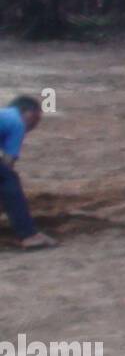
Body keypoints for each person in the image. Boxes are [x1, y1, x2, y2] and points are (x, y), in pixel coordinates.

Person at [0, 96, 57, 250]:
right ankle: (28, 235)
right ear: (28, 113)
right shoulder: (17, 122)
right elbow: (8, 163)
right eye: (36, 119)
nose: (35, 126)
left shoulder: (5, 116)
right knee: (9, 181)